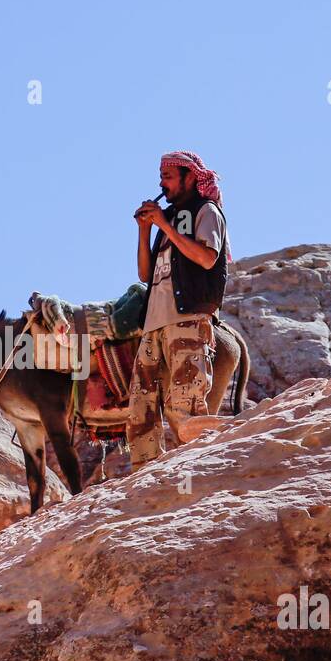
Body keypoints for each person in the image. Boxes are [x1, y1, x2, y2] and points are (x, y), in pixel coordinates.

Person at [126, 150, 229, 464]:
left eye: (168, 177)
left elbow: (207, 258)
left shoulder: (206, 210)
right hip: (154, 324)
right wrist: (145, 230)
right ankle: (145, 476)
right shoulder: (167, 220)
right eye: (161, 178)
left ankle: (198, 469)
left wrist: (164, 226)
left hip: (188, 320)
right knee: (140, 411)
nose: (163, 184)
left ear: (189, 177)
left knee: (186, 406)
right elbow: (145, 274)